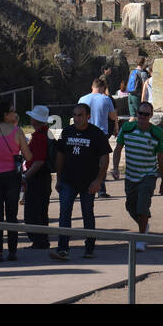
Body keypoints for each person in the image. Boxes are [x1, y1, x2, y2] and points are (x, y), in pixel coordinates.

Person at [54, 103, 110, 261]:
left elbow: (105, 157)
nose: (77, 118)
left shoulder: (96, 133)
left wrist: (99, 180)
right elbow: (60, 155)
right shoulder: (67, 132)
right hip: (67, 181)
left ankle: (90, 248)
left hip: (88, 182)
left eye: (80, 115)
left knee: (87, 213)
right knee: (64, 213)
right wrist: (58, 178)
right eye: (75, 115)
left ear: (88, 116)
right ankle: (63, 249)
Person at [111, 100, 163, 249]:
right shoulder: (127, 128)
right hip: (130, 175)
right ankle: (144, 225)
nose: (143, 116)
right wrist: (115, 167)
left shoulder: (157, 133)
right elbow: (118, 149)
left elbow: (161, 157)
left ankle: (141, 238)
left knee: (142, 206)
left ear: (151, 116)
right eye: (140, 113)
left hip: (148, 175)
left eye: (146, 114)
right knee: (130, 206)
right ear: (137, 114)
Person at [0, 100, 31, 261]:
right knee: (12, 214)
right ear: (5, 115)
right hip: (12, 177)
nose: (15, 113)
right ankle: (12, 251)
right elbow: (28, 156)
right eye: (12, 111)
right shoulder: (17, 132)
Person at [22, 105, 53, 253]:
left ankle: (39, 240)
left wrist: (25, 176)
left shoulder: (40, 136)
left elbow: (39, 161)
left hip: (37, 177)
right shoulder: (44, 134)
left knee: (34, 211)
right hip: (41, 177)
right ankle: (40, 240)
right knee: (39, 210)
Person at [78, 78, 117, 196]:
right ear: (103, 88)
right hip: (101, 133)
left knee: (84, 161)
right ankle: (101, 189)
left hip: (85, 132)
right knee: (102, 162)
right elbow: (112, 116)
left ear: (92, 86)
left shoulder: (82, 99)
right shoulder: (106, 99)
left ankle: (83, 188)